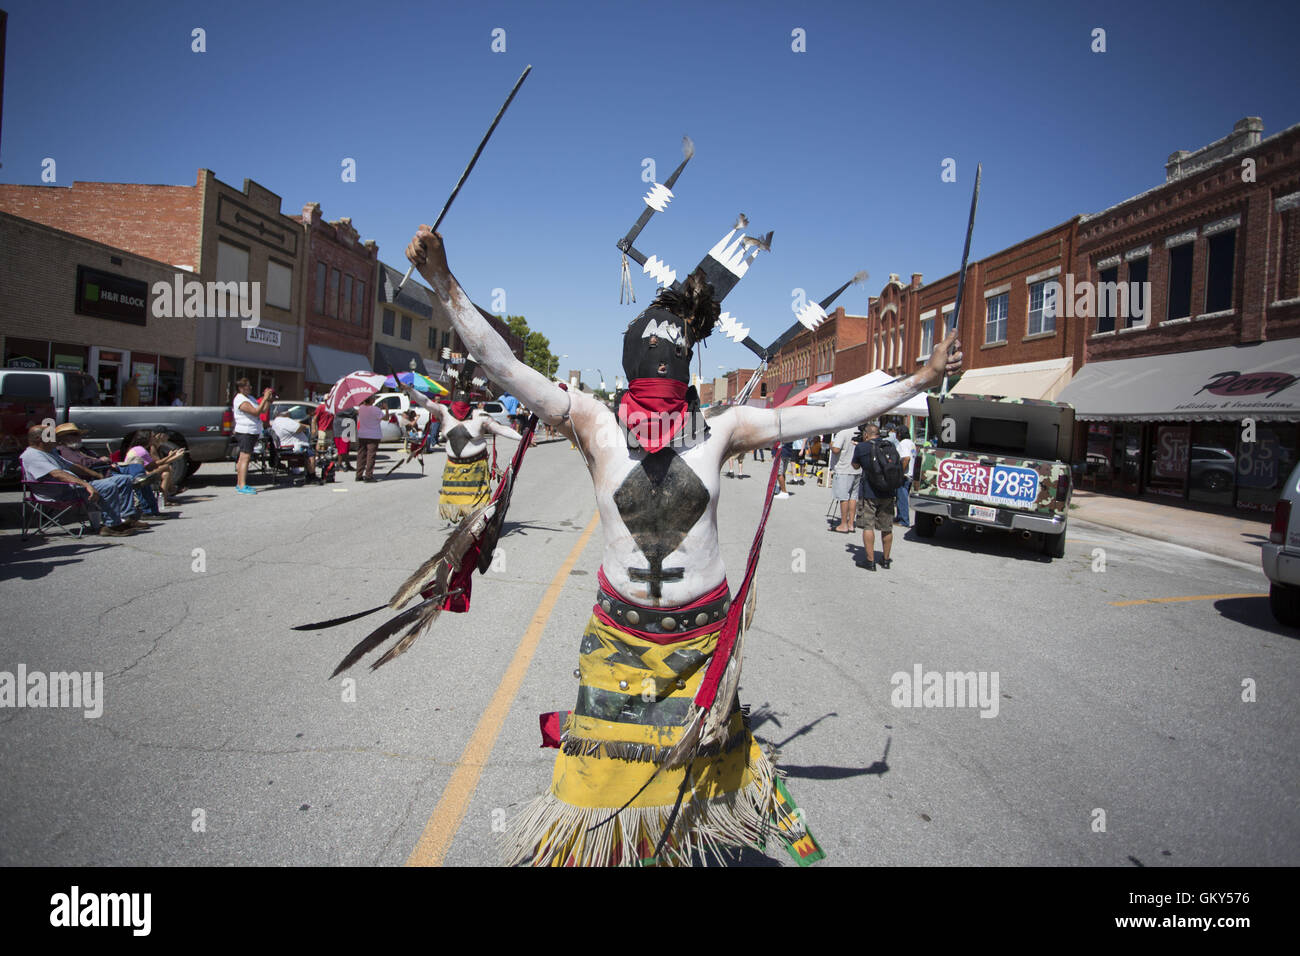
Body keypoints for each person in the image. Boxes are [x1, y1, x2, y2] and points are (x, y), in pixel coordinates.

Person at [403, 223, 962, 866]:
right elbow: (504, 365)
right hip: (620, 644)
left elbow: (827, 414)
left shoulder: (725, 428)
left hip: (701, 648)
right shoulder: (590, 419)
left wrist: (921, 376)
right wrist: (444, 282)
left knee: (696, 780)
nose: (660, 425)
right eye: (649, 405)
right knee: (603, 792)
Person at [400, 367, 521, 518]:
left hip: (476, 469)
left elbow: (502, 429)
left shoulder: (480, 416)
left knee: (477, 507)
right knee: (456, 504)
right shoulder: (443, 412)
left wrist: (522, 439)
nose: (460, 403)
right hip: (454, 470)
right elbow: (425, 401)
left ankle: (477, 525)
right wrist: (410, 390)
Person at [21, 425, 145, 535]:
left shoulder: (50, 452)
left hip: (72, 486)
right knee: (109, 486)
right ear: (38, 439)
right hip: (60, 492)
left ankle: (127, 518)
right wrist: (86, 484)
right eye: (51, 435)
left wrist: (97, 475)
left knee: (124, 479)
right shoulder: (33, 455)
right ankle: (111, 525)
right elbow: (57, 474)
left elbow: (73, 466)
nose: (55, 439)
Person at [851, 423, 901, 571]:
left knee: (868, 526)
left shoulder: (861, 447)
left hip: (869, 492)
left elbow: (855, 466)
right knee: (887, 527)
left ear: (866, 434)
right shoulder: (889, 445)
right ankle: (886, 560)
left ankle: (870, 561)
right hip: (888, 491)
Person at [232, 378, 274, 495]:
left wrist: (268, 400)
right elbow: (255, 412)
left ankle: (240, 483)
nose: (250, 388)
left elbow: (262, 410)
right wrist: (264, 398)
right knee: (245, 458)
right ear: (241, 388)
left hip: (252, 431)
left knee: (243, 457)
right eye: (248, 386)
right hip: (245, 431)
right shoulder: (240, 399)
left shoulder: (249, 398)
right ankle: (242, 484)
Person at [829, 423, 863, 532]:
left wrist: (831, 444)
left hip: (844, 468)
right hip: (857, 468)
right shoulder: (859, 431)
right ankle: (850, 523)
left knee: (844, 497)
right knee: (853, 497)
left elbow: (836, 449)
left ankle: (843, 524)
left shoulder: (842, 432)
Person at [271, 411, 318, 481]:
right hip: (291, 447)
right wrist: (304, 426)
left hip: (282, 447)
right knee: (310, 453)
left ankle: (308, 473)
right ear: (286, 414)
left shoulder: (276, 421)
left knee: (307, 448)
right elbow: (298, 429)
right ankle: (312, 476)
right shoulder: (285, 421)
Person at [894, 425, 917, 527]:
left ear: (899, 434)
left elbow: (906, 458)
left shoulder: (903, 443)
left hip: (904, 475)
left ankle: (904, 520)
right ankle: (899, 517)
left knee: (902, 498)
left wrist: (900, 472)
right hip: (911, 474)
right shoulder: (911, 443)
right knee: (901, 497)